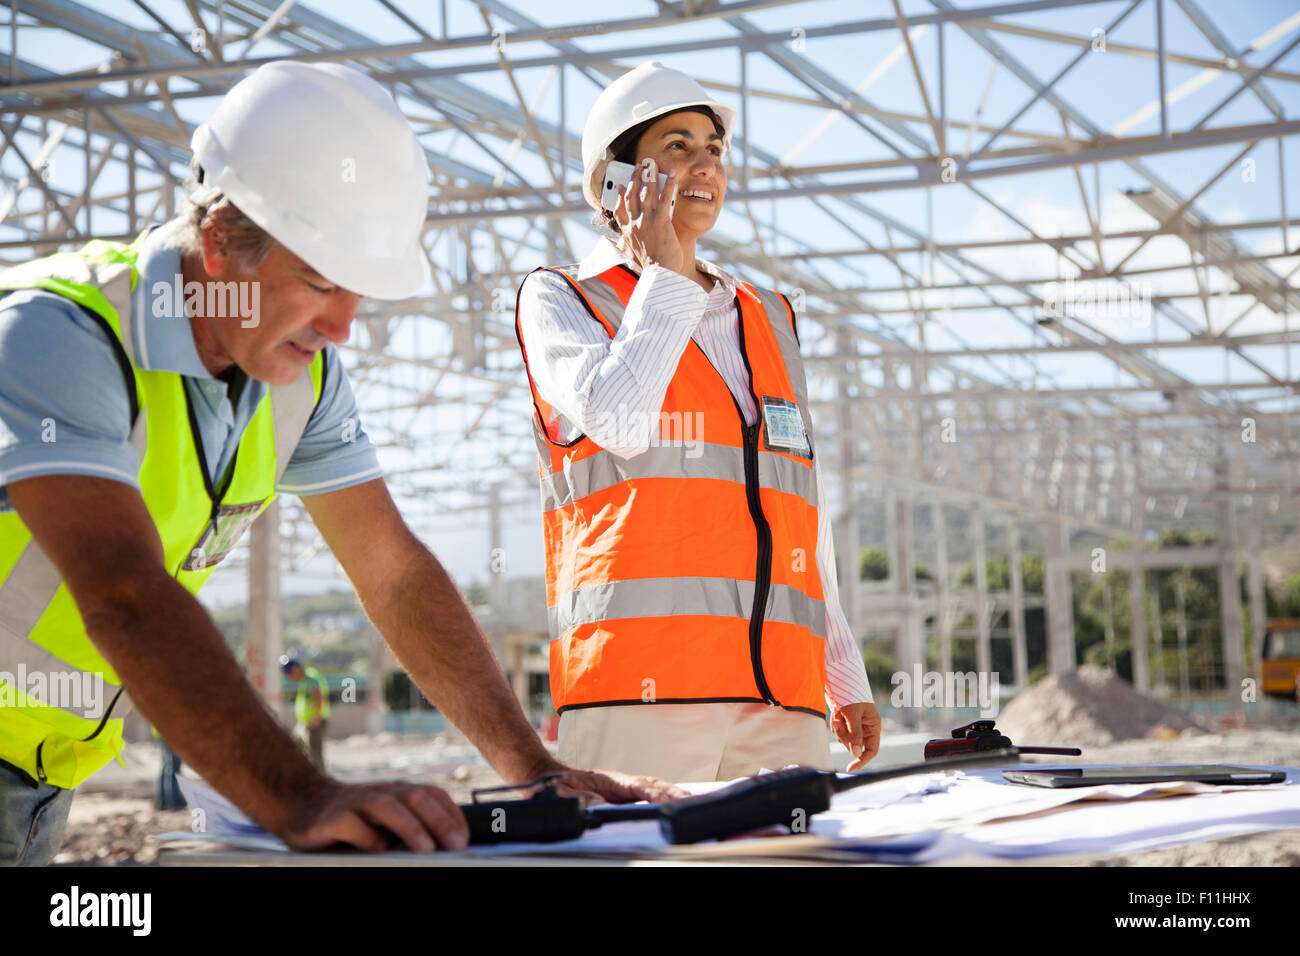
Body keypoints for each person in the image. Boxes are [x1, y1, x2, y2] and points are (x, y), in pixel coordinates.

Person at [0, 60, 679, 867]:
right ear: (219, 244)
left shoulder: (300, 377)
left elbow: (393, 574)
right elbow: (123, 592)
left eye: (359, 291)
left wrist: (533, 769)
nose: (344, 328)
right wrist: (302, 795)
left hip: (45, 769)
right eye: (321, 282)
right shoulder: (60, 337)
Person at [514, 61, 882, 783]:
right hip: (638, 693)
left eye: (714, 147)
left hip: (781, 692)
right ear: (616, 179)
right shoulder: (560, 300)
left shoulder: (769, 317)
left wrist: (844, 672)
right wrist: (665, 277)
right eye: (677, 145)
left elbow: (799, 507)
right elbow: (619, 416)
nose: (706, 163)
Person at [282, 657, 329, 770]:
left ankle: (320, 779)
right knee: (300, 747)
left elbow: (319, 698)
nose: (289, 677)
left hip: (315, 722)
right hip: (307, 722)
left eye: (289, 673)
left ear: (295, 670)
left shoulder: (310, 680)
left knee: (315, 752)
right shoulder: (305, 680)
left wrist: (316, 718)